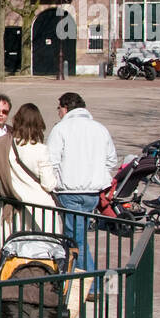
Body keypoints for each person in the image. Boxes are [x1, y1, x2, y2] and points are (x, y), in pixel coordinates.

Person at [47, 92, 117, 295]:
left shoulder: (61, 129)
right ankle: (86, 283)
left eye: (59, 108)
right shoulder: (100, 129)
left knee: (75, 240)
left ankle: (90, 284)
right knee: (79, 237)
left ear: (65, 108)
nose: (58, 113)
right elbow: (111, 159)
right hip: (92, 193)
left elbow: (52, 160)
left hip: (71, 191)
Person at [0, 102, 60, 239]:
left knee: (14, 253)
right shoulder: (40, 149)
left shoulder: (0, 144)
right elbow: (48, 184)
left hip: (11, 206)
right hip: (40, 209)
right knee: (41, 251)